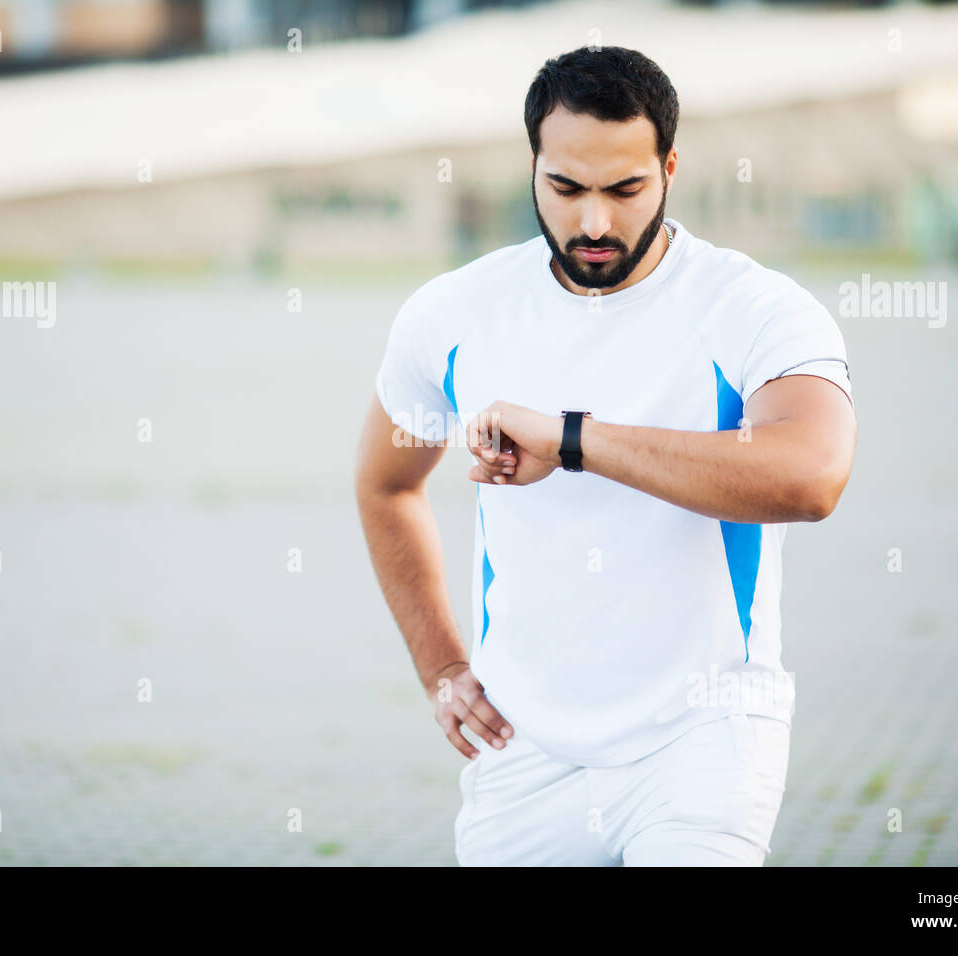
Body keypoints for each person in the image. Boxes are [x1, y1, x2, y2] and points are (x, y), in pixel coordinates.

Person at [354, 46, 857, 866]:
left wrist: (574, 440)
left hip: (704, 736)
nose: (594, 223)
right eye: (566, 188)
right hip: (519, 747)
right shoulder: (453, 312)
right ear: (533, 168)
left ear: (669, 167)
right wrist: (442, 667)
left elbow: (809, 476)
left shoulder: (753, 308)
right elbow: (384, 485)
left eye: (624, 191)